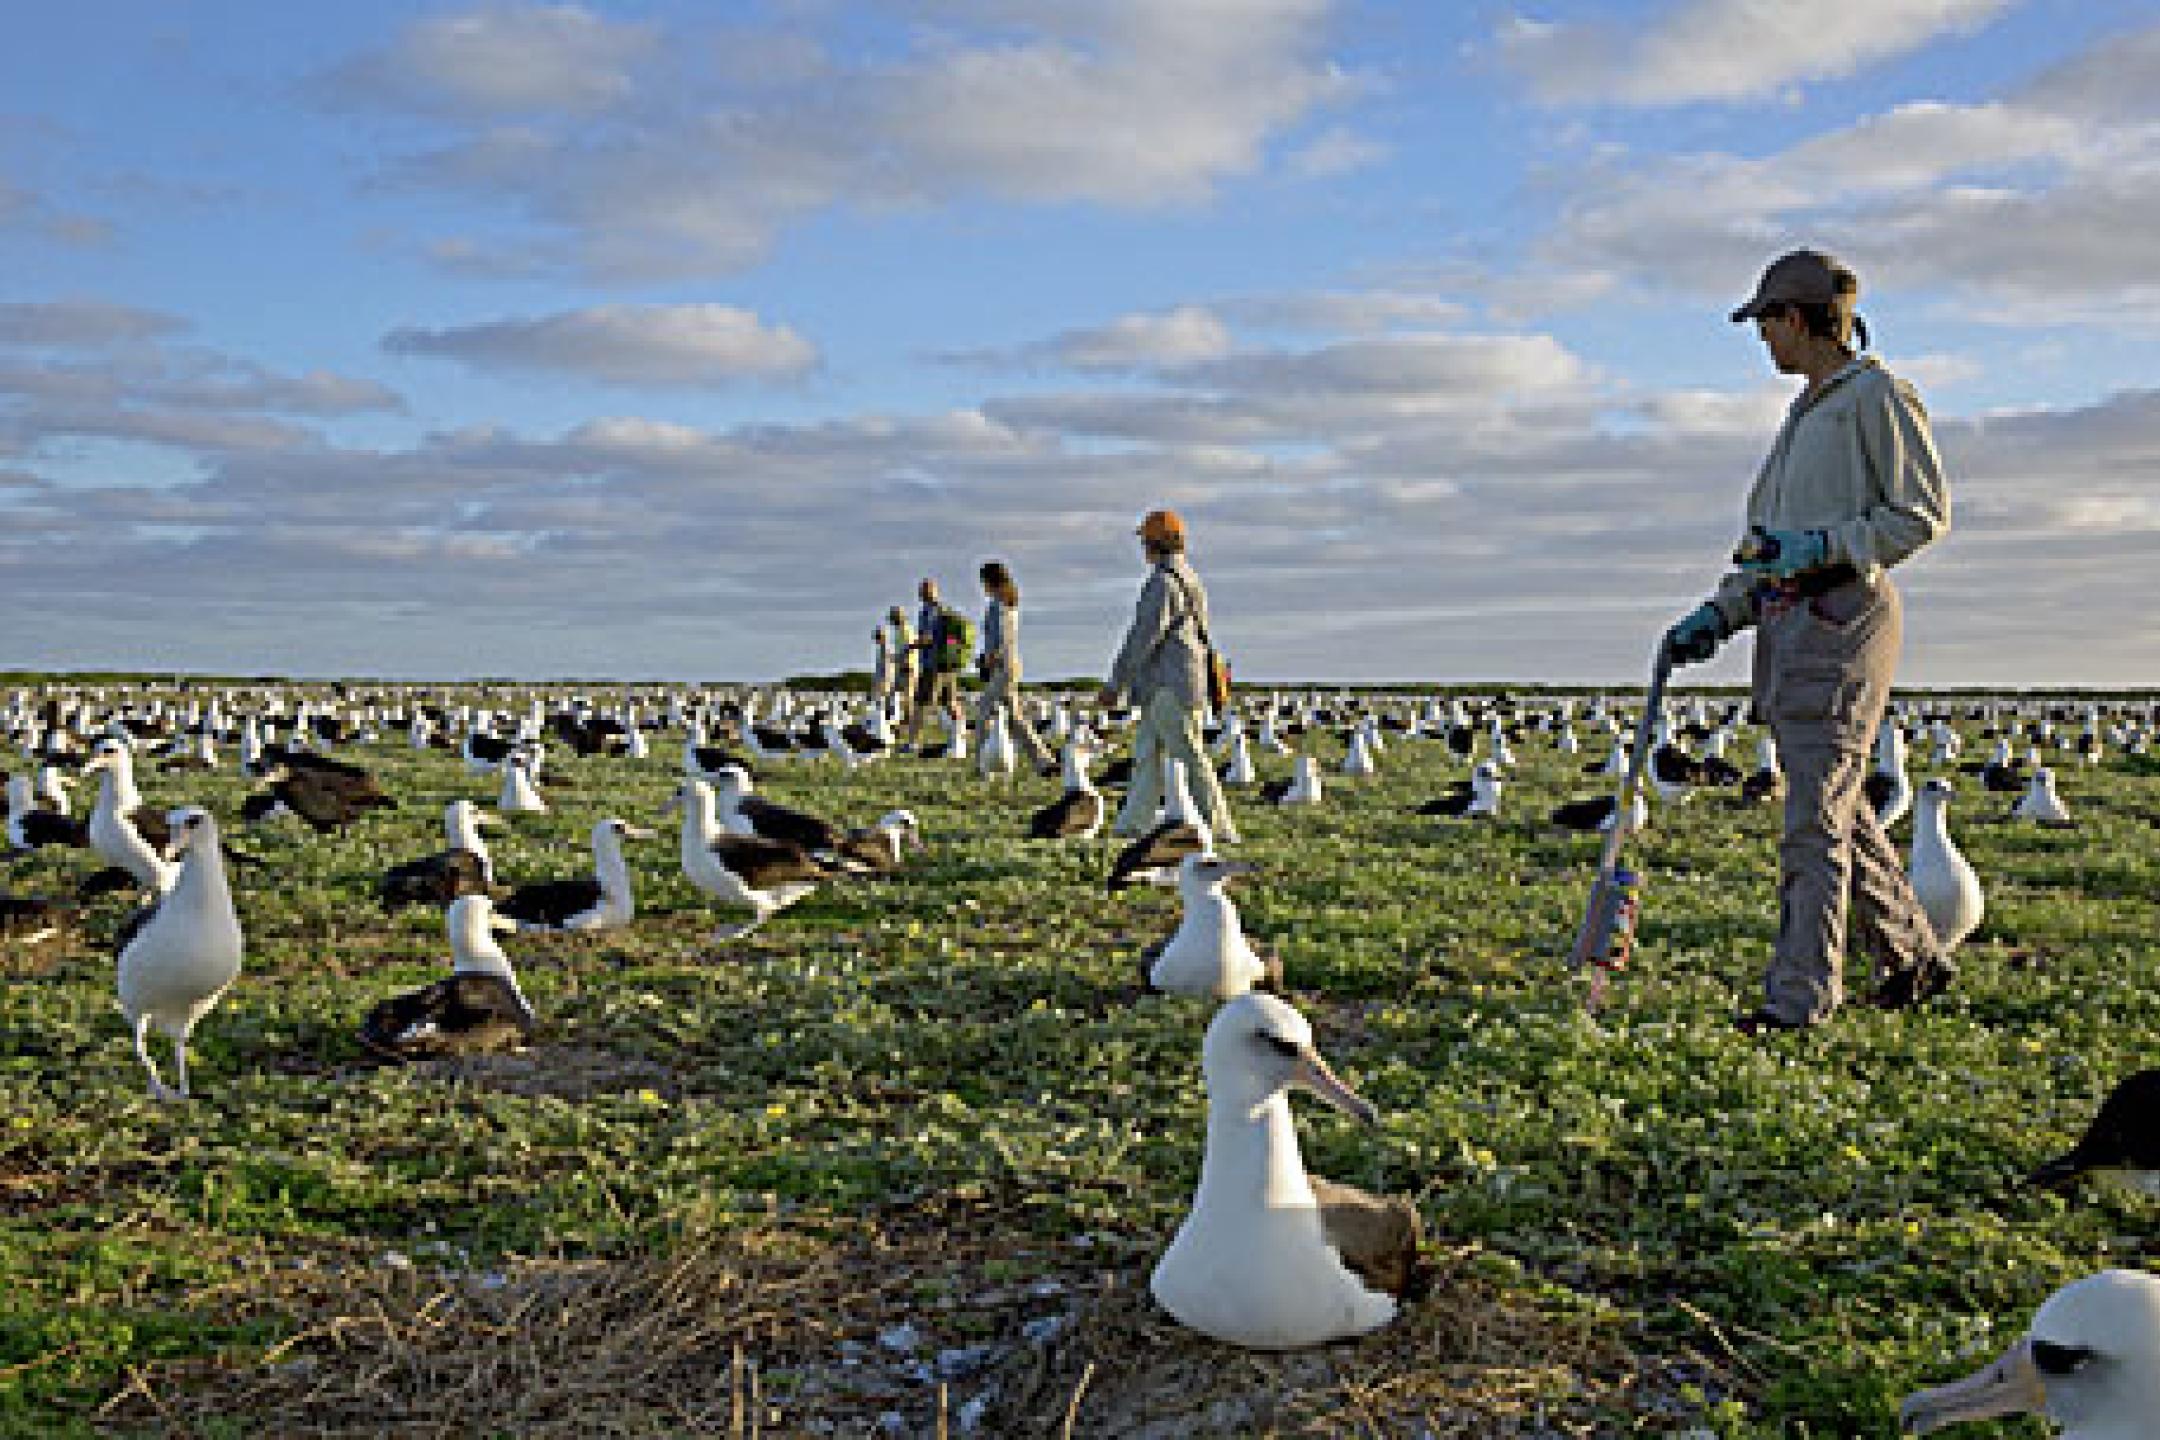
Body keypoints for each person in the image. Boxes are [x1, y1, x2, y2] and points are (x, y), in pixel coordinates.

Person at [1664, 249, 1952, 1035]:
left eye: (1764, 323)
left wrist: (1826, 546)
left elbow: (1919, 515)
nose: (1762, 340)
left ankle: (1799, 1003)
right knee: (1838, 808)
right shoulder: (1805, 414)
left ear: (1794, 319)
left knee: (1813, 823)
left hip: (1844, 620)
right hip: (1790, 628)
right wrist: (1719, 614)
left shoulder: (1878, 397)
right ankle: (1912, 958)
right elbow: (1763, 549)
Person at [1099, 509, 1238, 843]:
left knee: (1187, 753)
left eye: (1145, 540)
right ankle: (1133, 825)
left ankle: (1217, 827)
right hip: (1179, 681)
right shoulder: (1189, 578)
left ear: (1154, 543)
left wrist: (1115, 682)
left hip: (1168, 683)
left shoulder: (1162, 583)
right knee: (1148, 753)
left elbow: (1143, 637)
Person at [974, 561, 1055, 772]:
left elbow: (999, 639)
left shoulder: (996, 605)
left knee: (984, 710)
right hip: (1012, 663)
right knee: (1015, 718)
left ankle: (982, 762)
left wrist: (987, 661)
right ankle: (1044, 762)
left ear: (989, 581)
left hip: (1002, 666)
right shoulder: (1010, 603)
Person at [904, 578, 964, 753]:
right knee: (950, 703)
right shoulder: (944, 610)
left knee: (921, 704)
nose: (920, 593)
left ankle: (912, 742)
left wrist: (911, 646)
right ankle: (961, 740)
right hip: (948, 665)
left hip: (933, 665)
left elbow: (928, 638)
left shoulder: (931, 611)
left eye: (923, 590)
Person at [883, 605, 917, 724]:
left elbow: (909, 647)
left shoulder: (906, 630)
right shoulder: (899, 631)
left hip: (907, 666)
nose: (892, 622)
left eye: (893, 619)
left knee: (908, 696)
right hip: (901, 666)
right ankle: (893, 718)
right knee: (894, 693)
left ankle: (908, 720)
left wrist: (899, 658)